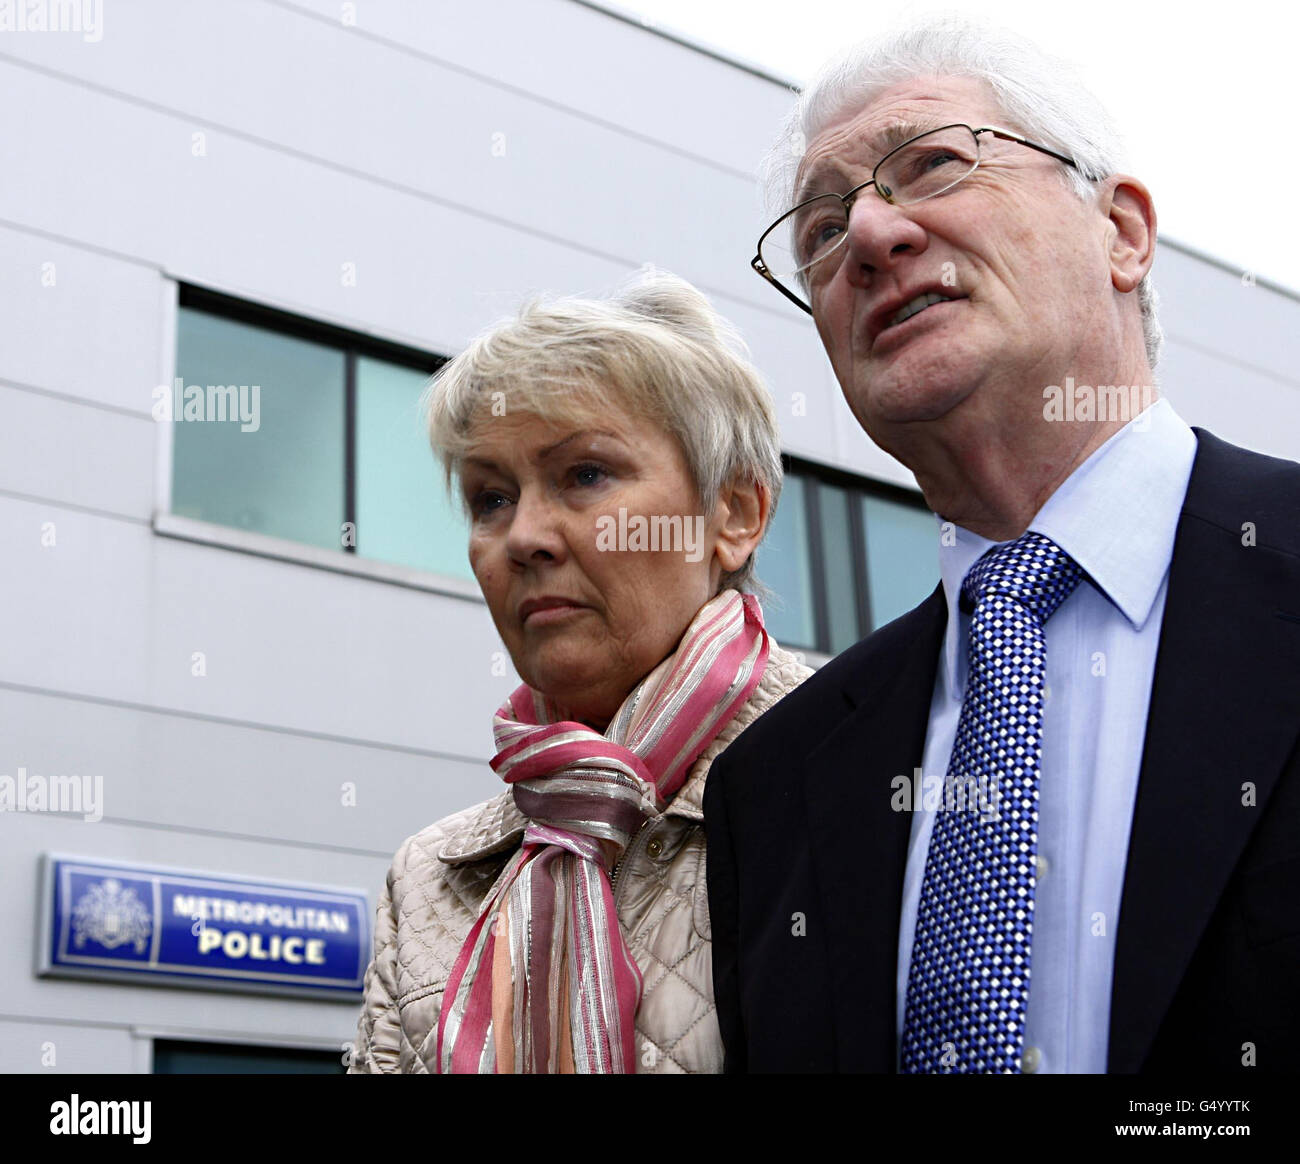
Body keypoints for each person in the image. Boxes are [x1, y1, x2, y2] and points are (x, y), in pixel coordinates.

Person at [706, 15, 1300, 1074]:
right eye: (823, 231)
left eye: (931, 163)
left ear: (1120, 230)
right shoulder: (771, 786)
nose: (873, 237)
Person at [348, 271, 811, 1073]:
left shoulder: (857, 775)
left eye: (586, 475)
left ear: (734, 515)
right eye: (490, 497)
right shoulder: (430, 876)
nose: (525, 534)